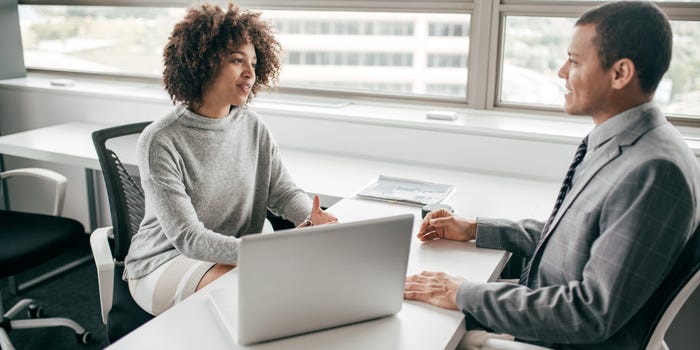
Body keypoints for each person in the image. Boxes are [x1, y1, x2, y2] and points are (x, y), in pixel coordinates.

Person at [404, 2, 700, 349]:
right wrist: (475, 229)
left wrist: (463, 293)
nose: (562, 72)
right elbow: (575, 237)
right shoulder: (627, 140)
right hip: (544, 305)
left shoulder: (652, 171)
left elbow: (589, 313)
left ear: (620, 73)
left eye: (574, 61)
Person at [124, 2, 337, 316]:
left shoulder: (251, 125)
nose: (250, 73)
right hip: (163, 261)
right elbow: (188, 238)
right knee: (249, 296)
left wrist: (313, 218)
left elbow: (283, 193)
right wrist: (267, 252)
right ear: (204, 62)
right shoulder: (160, 139)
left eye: (253, 62)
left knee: (295, 288)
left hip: (235, 254)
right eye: (238, 60)